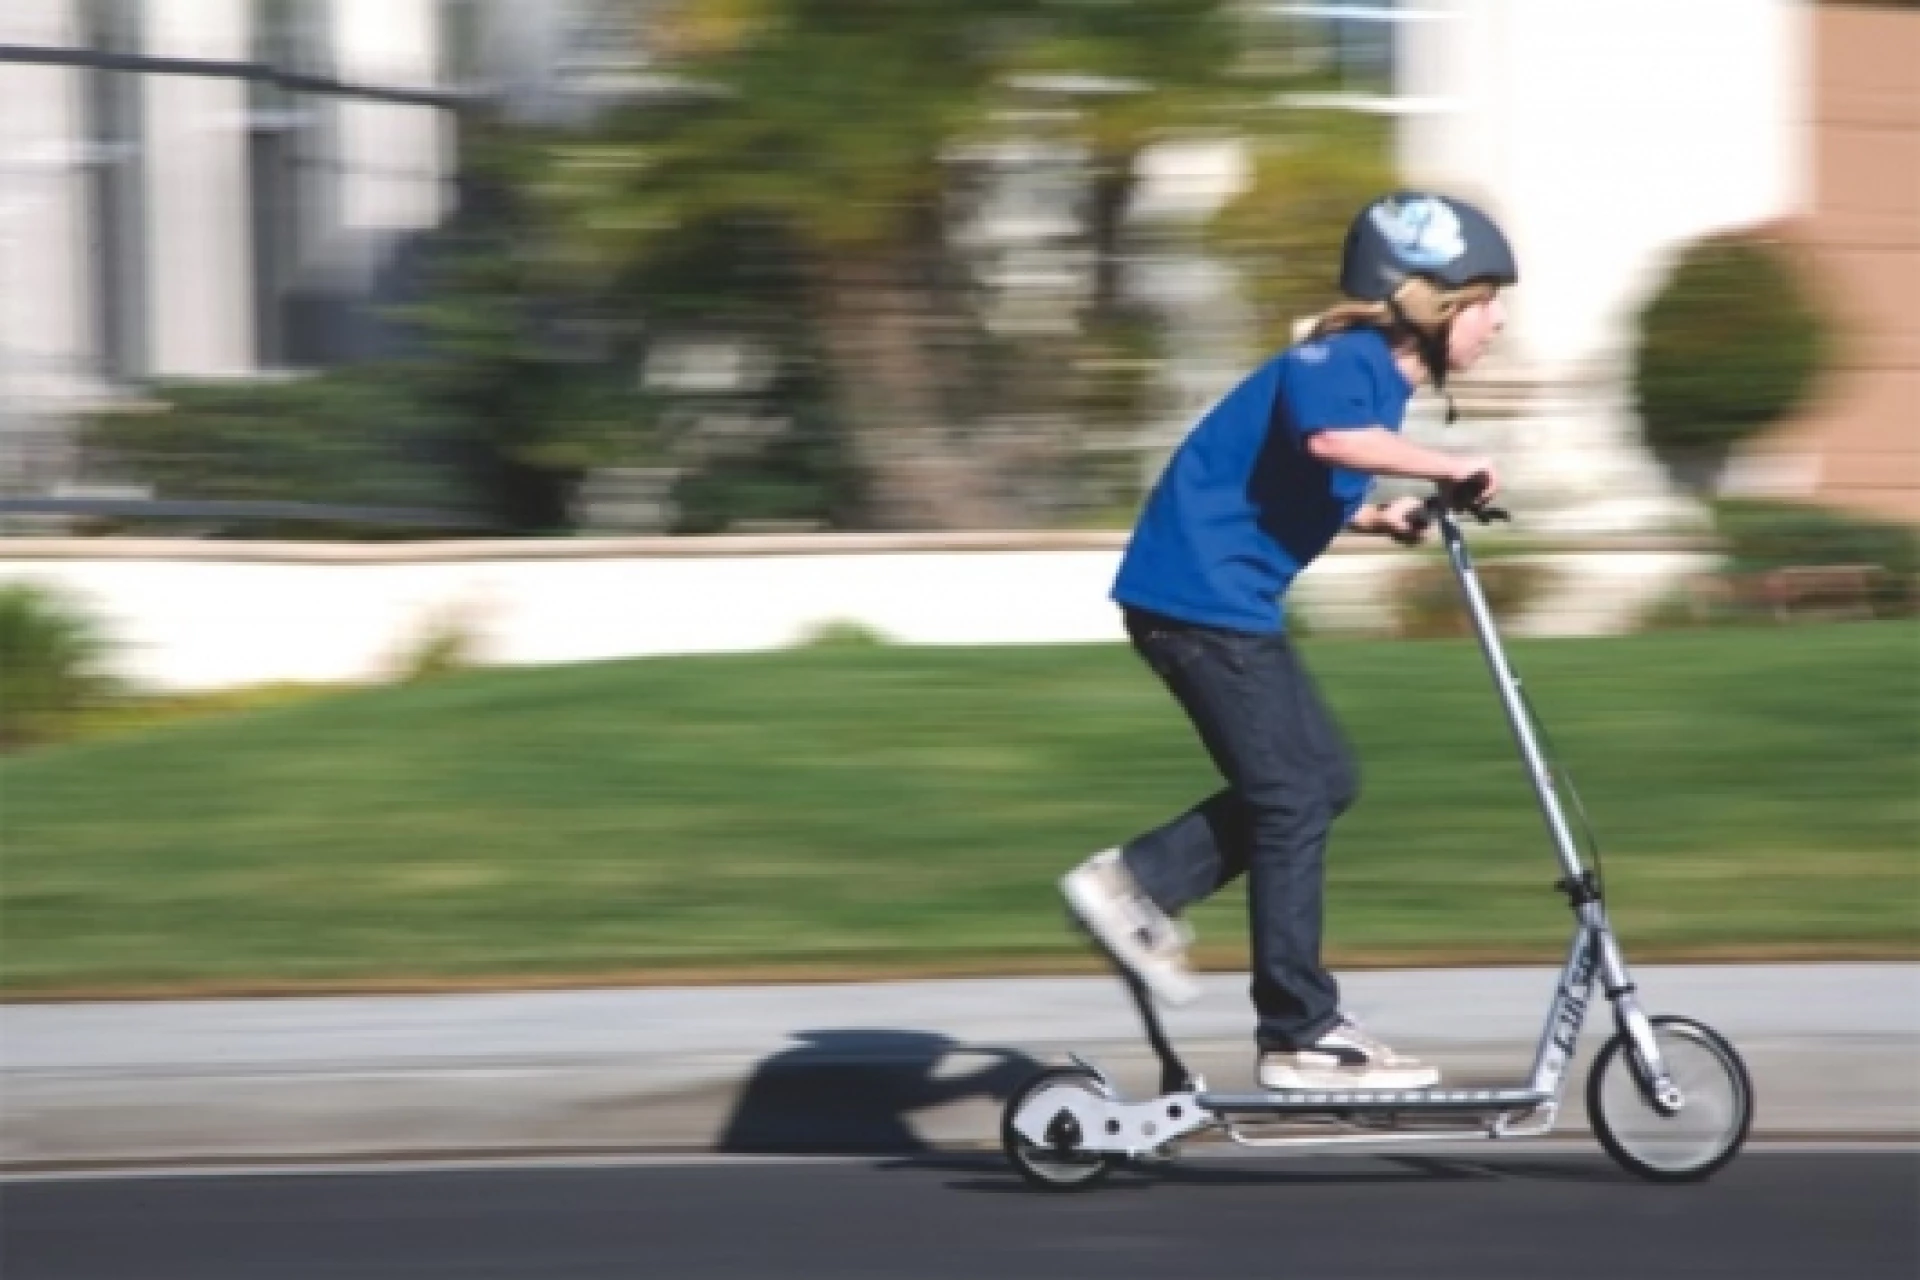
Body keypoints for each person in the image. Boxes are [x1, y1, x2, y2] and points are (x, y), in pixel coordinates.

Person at [1061, 191, 1518, 1091]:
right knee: (1292, 794)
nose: (1498, 322)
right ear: (1429, 301)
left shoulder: (1366, 378)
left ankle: (1140, 884)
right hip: (1201, 604)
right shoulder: (1339, 357)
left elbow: (1288, 477)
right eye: (1487, 301)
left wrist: (1382, 518)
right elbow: (1329, 440)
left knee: (1319, 780)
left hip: (1214, 602)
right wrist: (1449, 465)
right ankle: (1300, 1029)